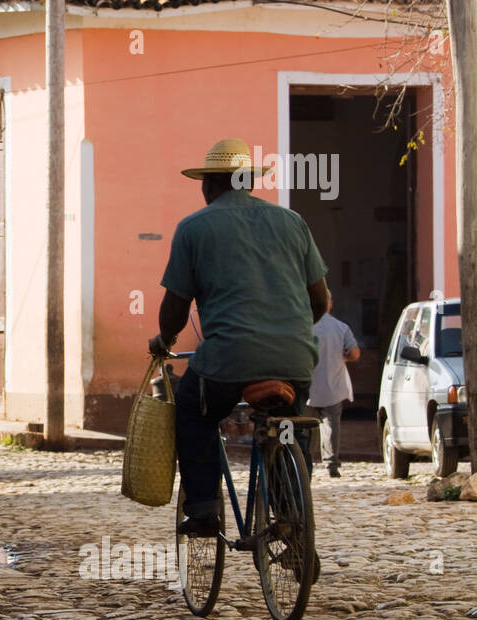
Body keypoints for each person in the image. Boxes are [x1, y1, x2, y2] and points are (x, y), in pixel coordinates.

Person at [148, 138, 330, 543]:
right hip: (294, 359)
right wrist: (293, 328)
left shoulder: (194, 228)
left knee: (195, 414)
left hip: (227, 362)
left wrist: (164, 339)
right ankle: (292, 516)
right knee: (290, 425)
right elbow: (321, 300)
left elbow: (175, 307)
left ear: (209, 184)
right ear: (250, 182)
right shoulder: (293, 222)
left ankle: (202, 511)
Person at [307, 299, 360, 478]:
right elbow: (354, 352)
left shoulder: (303, 325)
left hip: (307, 386)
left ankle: (304, 460)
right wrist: (344, 358)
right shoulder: (340, 327)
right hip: (333, 386)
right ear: (329, 304)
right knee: (331, 426)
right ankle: (331, 464)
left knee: (305, 426)